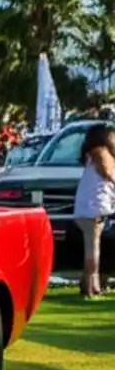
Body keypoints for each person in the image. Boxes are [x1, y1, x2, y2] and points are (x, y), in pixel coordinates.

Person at [74, 124, 115, 299]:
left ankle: (92, 284)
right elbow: (107, 173)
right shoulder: (100, 152)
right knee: (92, 249)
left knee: (93, 246)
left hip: (90, 207)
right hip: (93, 207)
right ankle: (89, 287)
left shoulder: (94, 154)